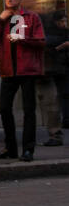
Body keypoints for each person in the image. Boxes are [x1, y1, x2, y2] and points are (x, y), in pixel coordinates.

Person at [0, 0, 45, 161]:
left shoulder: (32, 17)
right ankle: (10, 148)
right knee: (4, 108)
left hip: (27, 70)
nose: (9, 0)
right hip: (8, 70)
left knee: (29, 110)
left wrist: (22, 39)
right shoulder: (4, 19)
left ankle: (28, 150)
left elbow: (41, 42)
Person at [37, 8, 68, 147]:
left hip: (61, 69)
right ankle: (56, 132)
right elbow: (46, 42)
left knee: (58, 98)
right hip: (51, 69)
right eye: (62, 21)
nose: (64, 24)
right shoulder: (50, 31)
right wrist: (60, 46)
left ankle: (57, 132)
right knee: (53, 100)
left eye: (65, 21)